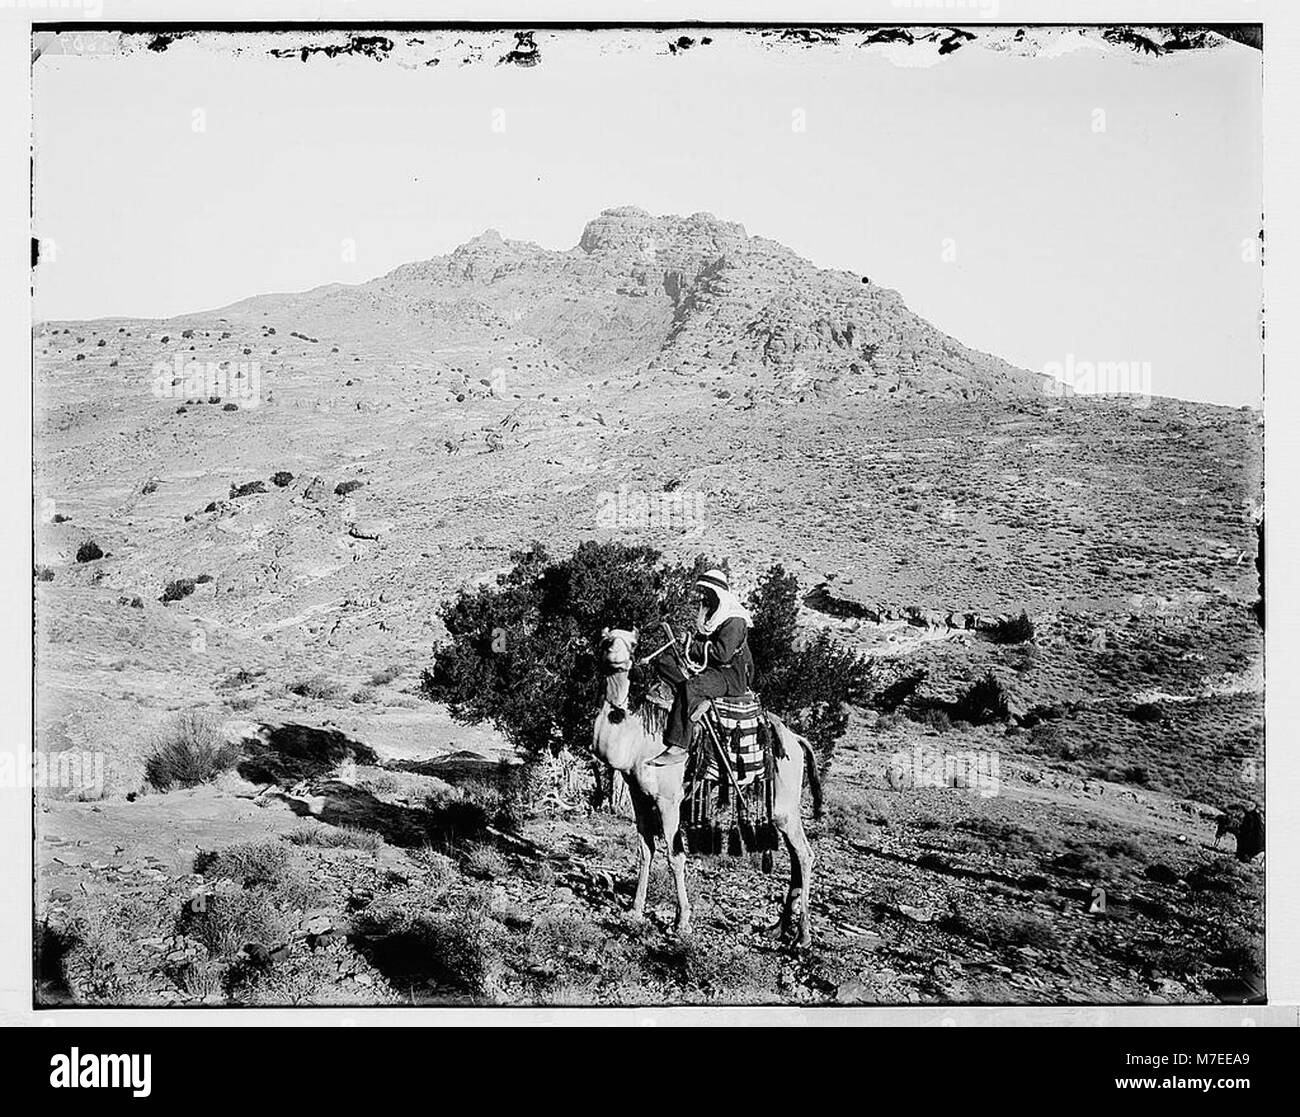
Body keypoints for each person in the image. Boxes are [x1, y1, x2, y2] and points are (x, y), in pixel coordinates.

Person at [649, 569, 754, 766]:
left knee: (692, 687)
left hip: (729, 675)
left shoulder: (734, 620)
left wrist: (691, 645)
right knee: (665, 662)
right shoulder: (716, 615)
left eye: (708, 592)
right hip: (712, 668)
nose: (705, 596)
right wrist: (687, 641)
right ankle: (692, 701)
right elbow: (704, 640)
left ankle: (679, 746)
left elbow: (722, 654)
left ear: (718, 593)